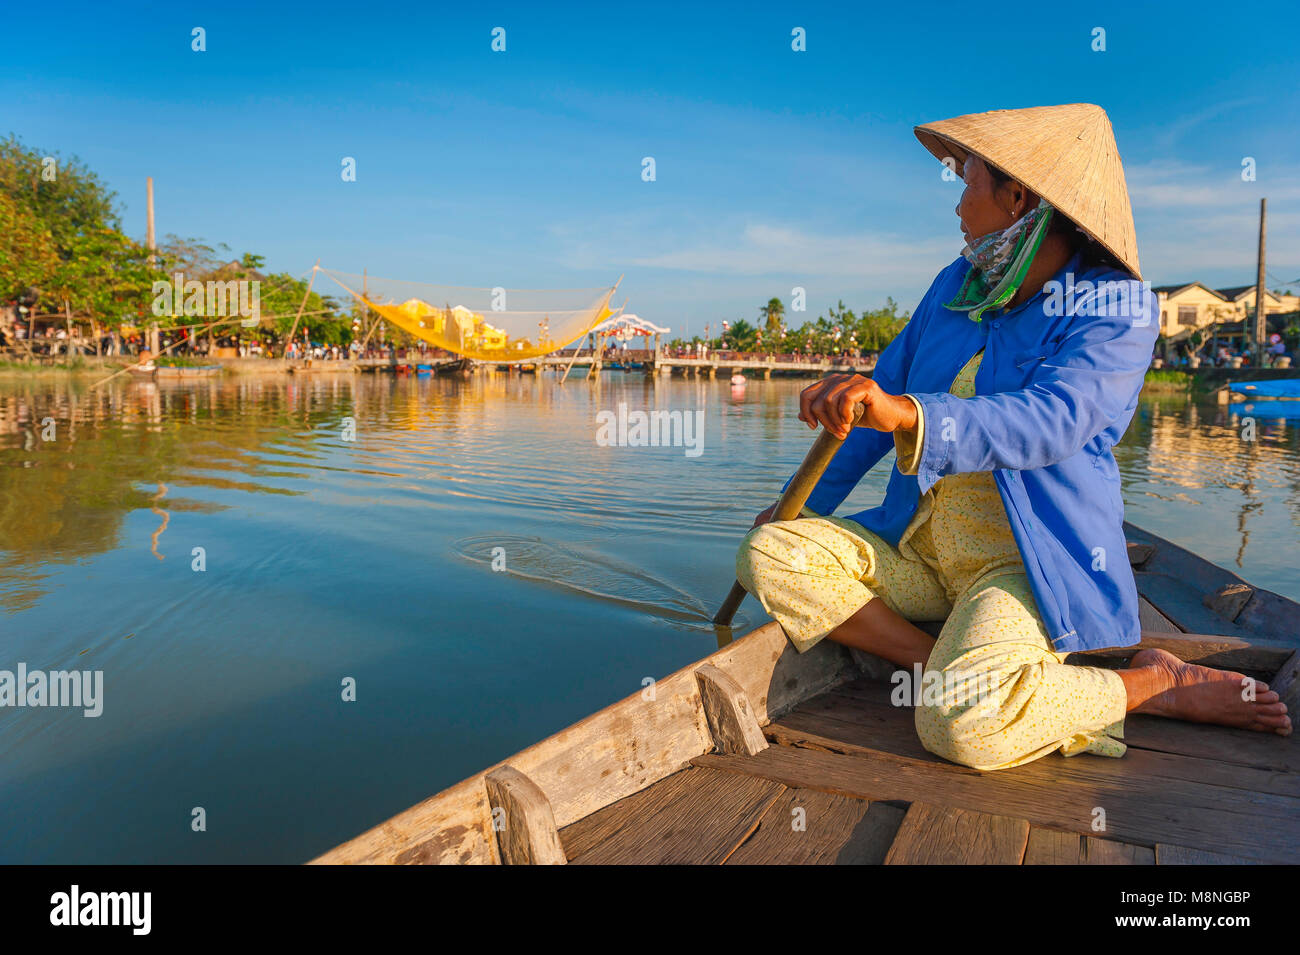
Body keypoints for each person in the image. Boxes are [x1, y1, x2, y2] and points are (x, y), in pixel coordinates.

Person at [736, 103, 1290, 772]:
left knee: (961, 725)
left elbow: (1053, 419)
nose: (957, 204)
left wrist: (911, 414)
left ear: (1016, 195)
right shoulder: (954, 286)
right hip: (923, 548)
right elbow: (866, 415)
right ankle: (933, 663)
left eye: (966, 180)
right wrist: (806, 506)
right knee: (770, 551)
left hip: (1027, 564)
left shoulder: (1112, 305)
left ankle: (1152, 684)